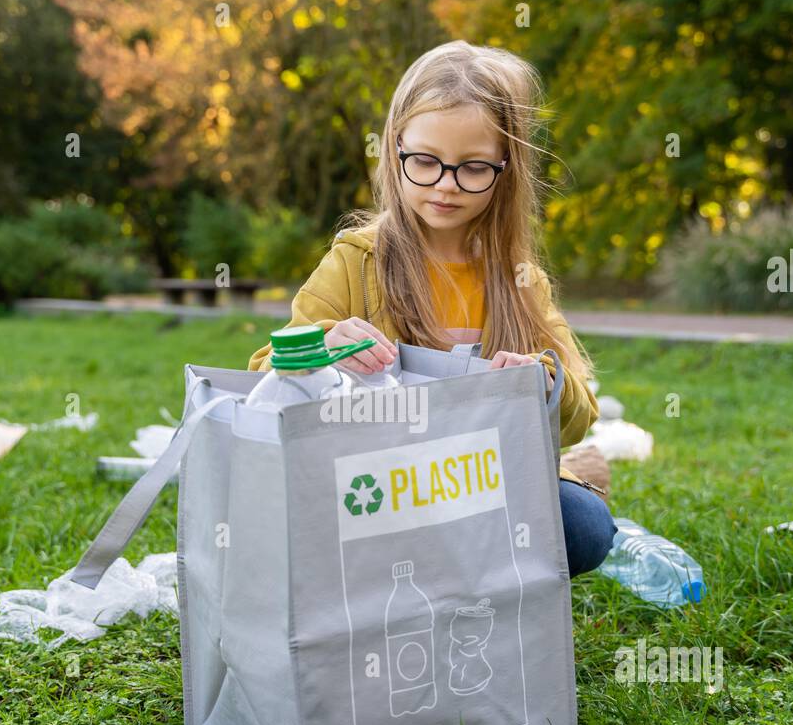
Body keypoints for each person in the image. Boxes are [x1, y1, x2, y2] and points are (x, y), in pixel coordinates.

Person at [248, 41, 616, 576]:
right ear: (395, 149)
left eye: (471, 168)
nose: (445, 185)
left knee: (582, 524)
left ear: (505, 169)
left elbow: (578, 415)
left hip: (476, 484)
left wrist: (543, 382)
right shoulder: (357, 259)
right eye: (424, 161)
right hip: (373, 483)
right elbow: (263, 377)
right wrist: (324, 347)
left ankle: (457, 569)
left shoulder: (519, 280)